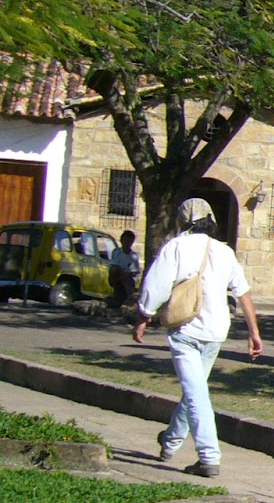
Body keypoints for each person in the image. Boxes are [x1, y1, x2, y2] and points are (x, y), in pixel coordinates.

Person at [132, 198, 263, 477]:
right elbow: (243, 292)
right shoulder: (224, 251)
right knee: (195, 389)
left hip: (185, 329)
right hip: (216, 332)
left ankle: (209, 456)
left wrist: (144, 316)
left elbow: (155, 286)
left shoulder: (176, 247)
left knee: (196, 393)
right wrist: (254, 332)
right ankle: (170, 442)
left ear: (182, 220)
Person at [108, 230, 140, 307]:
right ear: (121, 240)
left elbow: (135, 271)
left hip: (127, 277)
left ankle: (129, 299)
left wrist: (127, 274)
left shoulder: (134, 256)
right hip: (117, 275)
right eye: (125, 240)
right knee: (114, 270)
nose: (127, 243)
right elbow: (114, 265)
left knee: (127, 280)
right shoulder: (116, 252)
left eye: (129, 241)